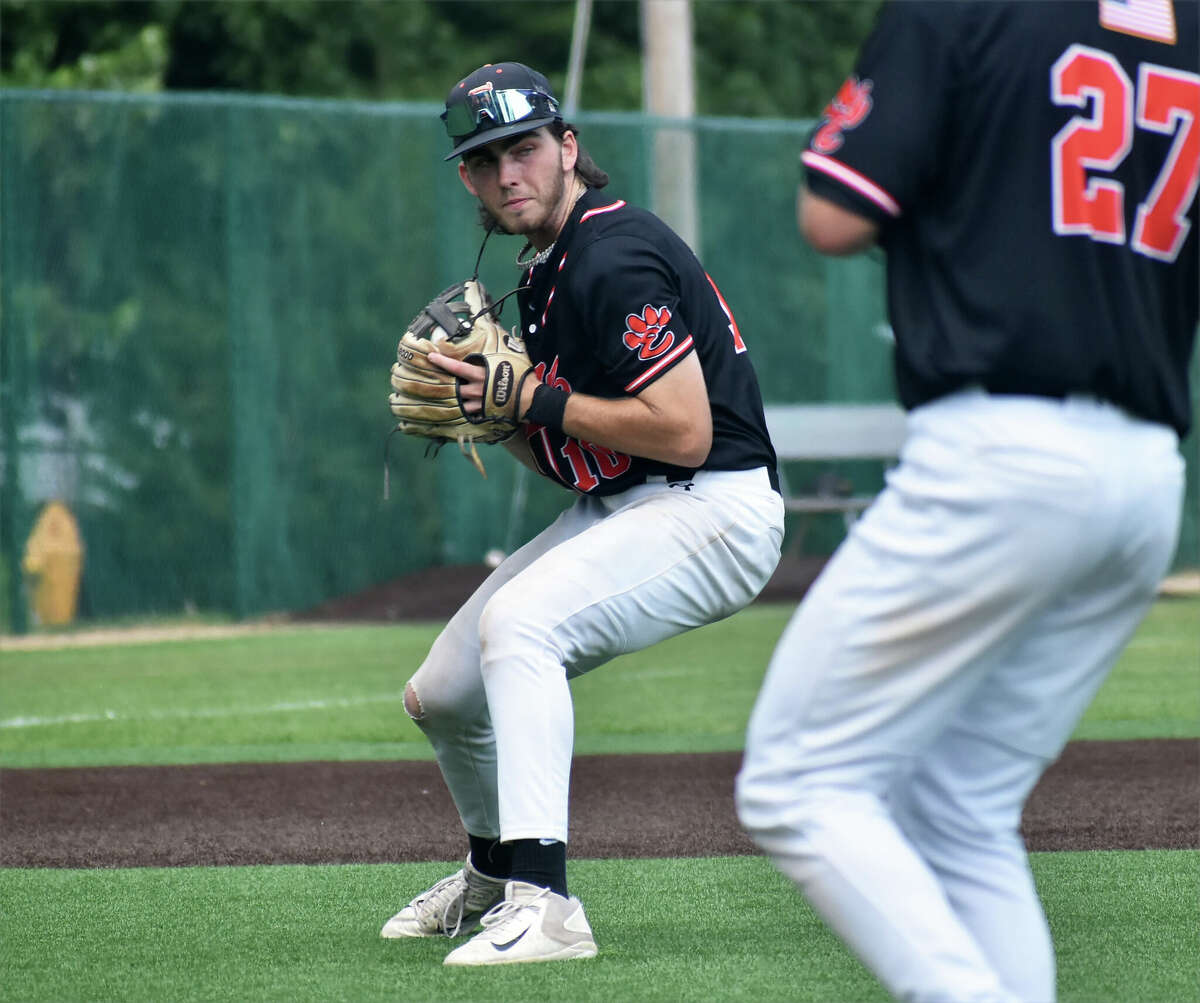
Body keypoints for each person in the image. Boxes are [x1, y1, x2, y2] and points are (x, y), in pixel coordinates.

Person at [735, 2, 1198, 1001]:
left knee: (797, 782)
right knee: (960, 807)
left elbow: (833, 213)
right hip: (1147, 473)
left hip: (1002, 455)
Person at [380, 61, 785, 966]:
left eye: (525, 149)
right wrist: (503, 411)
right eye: (486, 161)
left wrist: (531, 397)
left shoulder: (612, 251)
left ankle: (547, 904)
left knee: (522, 627)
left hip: (716, 504)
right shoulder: (551, 267)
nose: (508, 174)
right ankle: (491, 871)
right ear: (467, 179)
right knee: (441, 694)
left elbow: (682, 431)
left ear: (568, 149)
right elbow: (589, 458)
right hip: (633, 502)